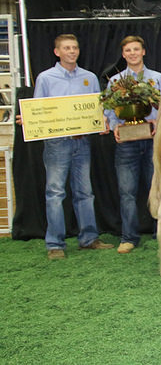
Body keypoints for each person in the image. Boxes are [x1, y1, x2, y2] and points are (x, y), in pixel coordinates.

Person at [25, 34, 114, 259]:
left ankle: (89, 238)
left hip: (82, 141)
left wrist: (102, 121)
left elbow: (98, 108)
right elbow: (38, 110)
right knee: (55, 192)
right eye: (66, 48)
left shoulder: (90, 78)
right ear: (57, 52)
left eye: (74, 47)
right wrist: (29, 120)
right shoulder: (46, 78)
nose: (72, 51)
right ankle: (55, 244)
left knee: (85, 192)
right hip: (57, 143)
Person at [105, 35, 161, 254]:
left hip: (153, 141)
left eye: (136, 49)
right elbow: (109, 110)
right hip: (127, 142)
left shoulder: (157, 79)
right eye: (128, 50)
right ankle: (129, 237)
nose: (132, 53)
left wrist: (158, 121)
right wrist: (114, 126)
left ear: (143, 52)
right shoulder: (115, 82)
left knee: (158, 189)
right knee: (127, 192)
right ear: (123, 54)